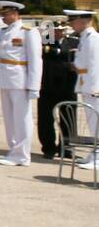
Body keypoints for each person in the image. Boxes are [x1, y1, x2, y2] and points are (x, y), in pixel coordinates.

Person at [0, 0, 42, 167]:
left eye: (5, 14)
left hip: (20, 79)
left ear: (15, 13)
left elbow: (36, 60)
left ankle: (22, 154)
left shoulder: (28, 32)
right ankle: (14, 150)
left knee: (22, 118)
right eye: (1, 14)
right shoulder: (1, 32)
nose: (3, 17)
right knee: (10, 118)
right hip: (5, 78)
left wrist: (34, 85)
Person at [38, 21, 78, 160]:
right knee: (45, 119)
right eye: (54, 30)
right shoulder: (45, 43)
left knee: (68, 118)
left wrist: (60, 52)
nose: (57, 32)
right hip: (48, 86)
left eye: (60, 30)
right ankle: (48, 148)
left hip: (68, 86)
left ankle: (66, 148)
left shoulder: (73, 42)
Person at [64, 9, 97, 170]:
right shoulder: (85, 38)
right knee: (92, 122)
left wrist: (95, 87)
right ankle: (95, 152)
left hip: (92, 85)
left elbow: (96, 65)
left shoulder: (93, 38)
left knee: (97, 122)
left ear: (84, 21)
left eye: (73, 20)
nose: (71, 24)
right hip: (86, 83)